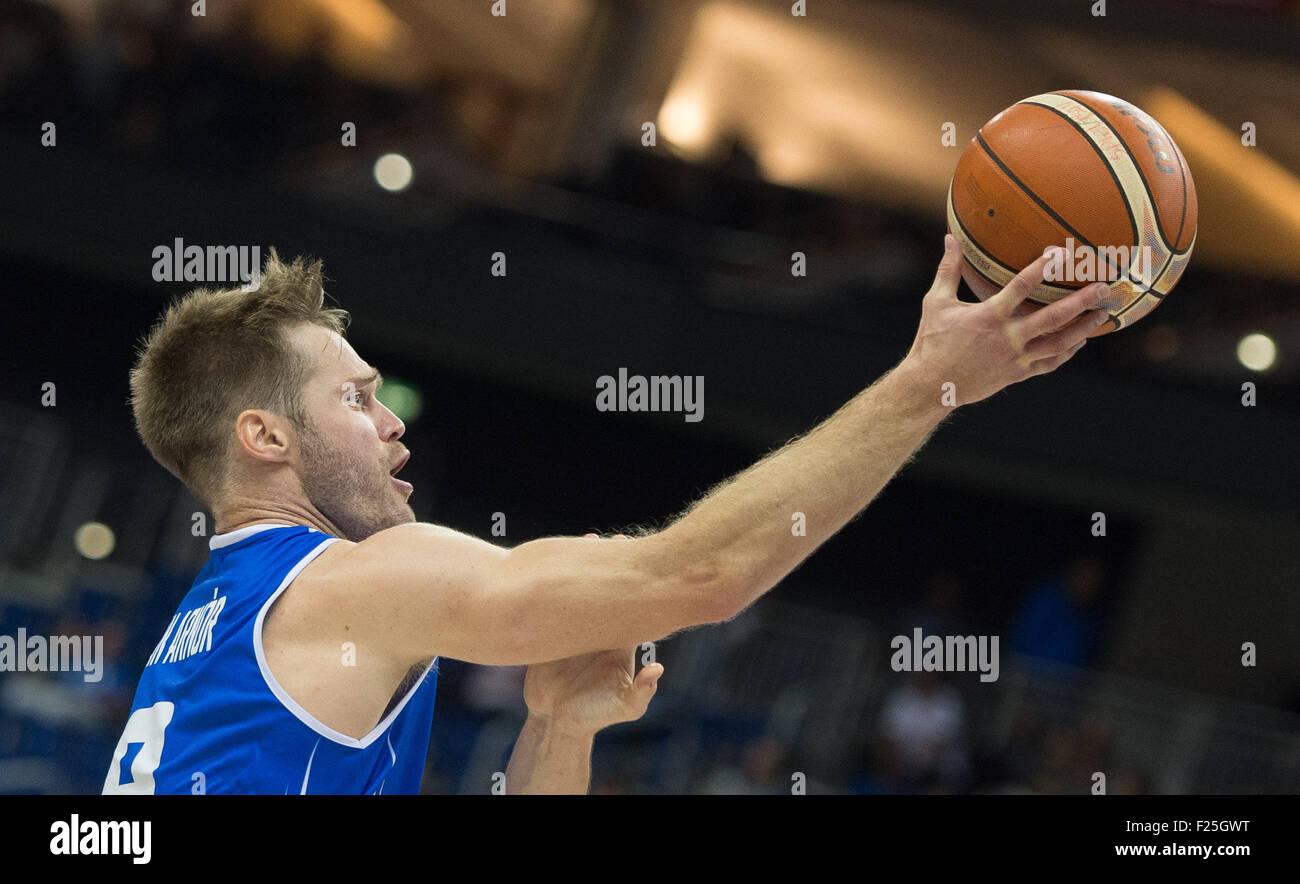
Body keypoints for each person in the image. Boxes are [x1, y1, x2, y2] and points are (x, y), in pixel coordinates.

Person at [105, 237, 1110, 794]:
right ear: (264, 437)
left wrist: (556, 730)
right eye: (357, 399)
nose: (393, 426)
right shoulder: (350, 582)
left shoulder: (206, 637)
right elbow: (693, 579)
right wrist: (931, 382)